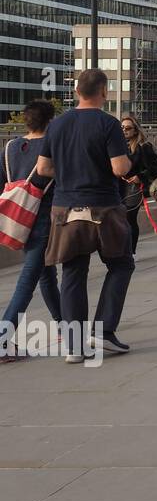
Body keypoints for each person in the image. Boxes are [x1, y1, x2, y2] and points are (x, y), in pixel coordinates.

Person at [35, 69, 135, 360]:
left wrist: (69, 173)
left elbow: (43, 169)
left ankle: (74, 347)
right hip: (103, 206)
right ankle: (103, 332)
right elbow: (119, 168)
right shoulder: (108, 123)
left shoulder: (57, 125)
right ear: (103, 91)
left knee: (73, 272)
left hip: (65, 209)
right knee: (121, 264)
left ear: (78, 91)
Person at [1, 99, 60, 361]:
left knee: (46, 273)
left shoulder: (10, 146)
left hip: (19, 217)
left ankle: (65, 324)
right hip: (43, 218)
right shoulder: (51, 147)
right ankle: (2, 340)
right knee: (28, 280)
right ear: (50, 121)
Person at [120, 115, 157, 257]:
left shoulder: (144, 147)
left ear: (136, 130)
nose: (124, 130)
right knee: (120, 218)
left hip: (135, 188)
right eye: (122, 127)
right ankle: (123, 249)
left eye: (128, 128)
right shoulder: (119, 146)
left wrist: (141, 176)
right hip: (119, 186)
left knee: (129, 217)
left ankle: (130, 251)